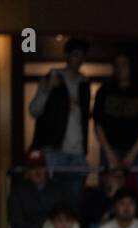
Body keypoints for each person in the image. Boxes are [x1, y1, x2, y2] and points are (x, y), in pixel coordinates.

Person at [28, 37, 91, 196]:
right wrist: (47, 89)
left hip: (78, 152)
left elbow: (84, 118)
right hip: (53, 149)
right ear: (67, 55)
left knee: (74, 199)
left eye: (82, 56)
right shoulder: (53, 77)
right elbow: (34, 110)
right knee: (51, 197)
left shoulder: (84, 83)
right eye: (75, 54)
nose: (78, 59)